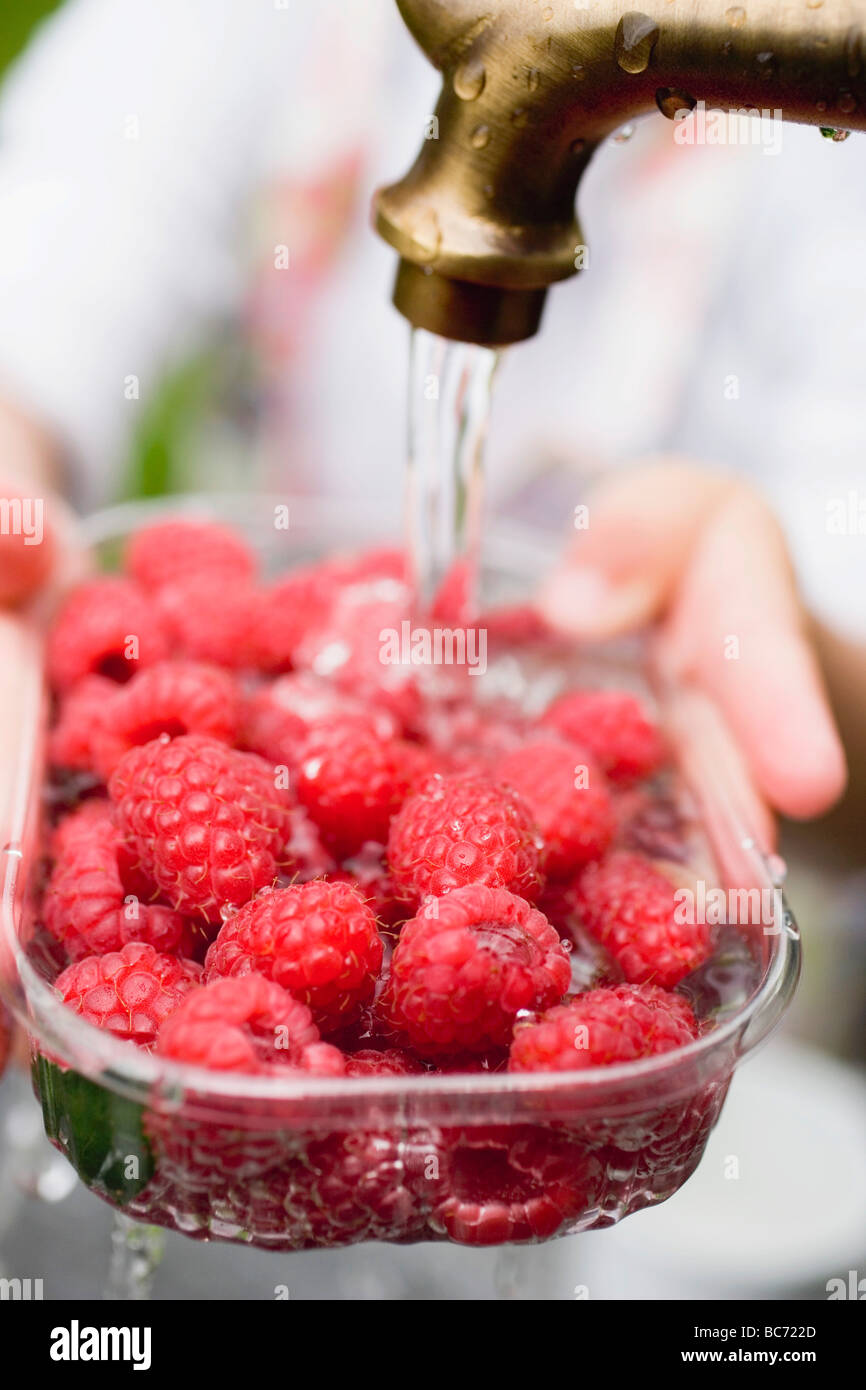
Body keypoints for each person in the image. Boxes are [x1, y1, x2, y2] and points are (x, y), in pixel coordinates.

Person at [0, 0, 862, 1057]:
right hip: (326, 644)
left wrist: (792, 644)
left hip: (746, 907)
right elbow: (51, 255)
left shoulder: (816, 153)